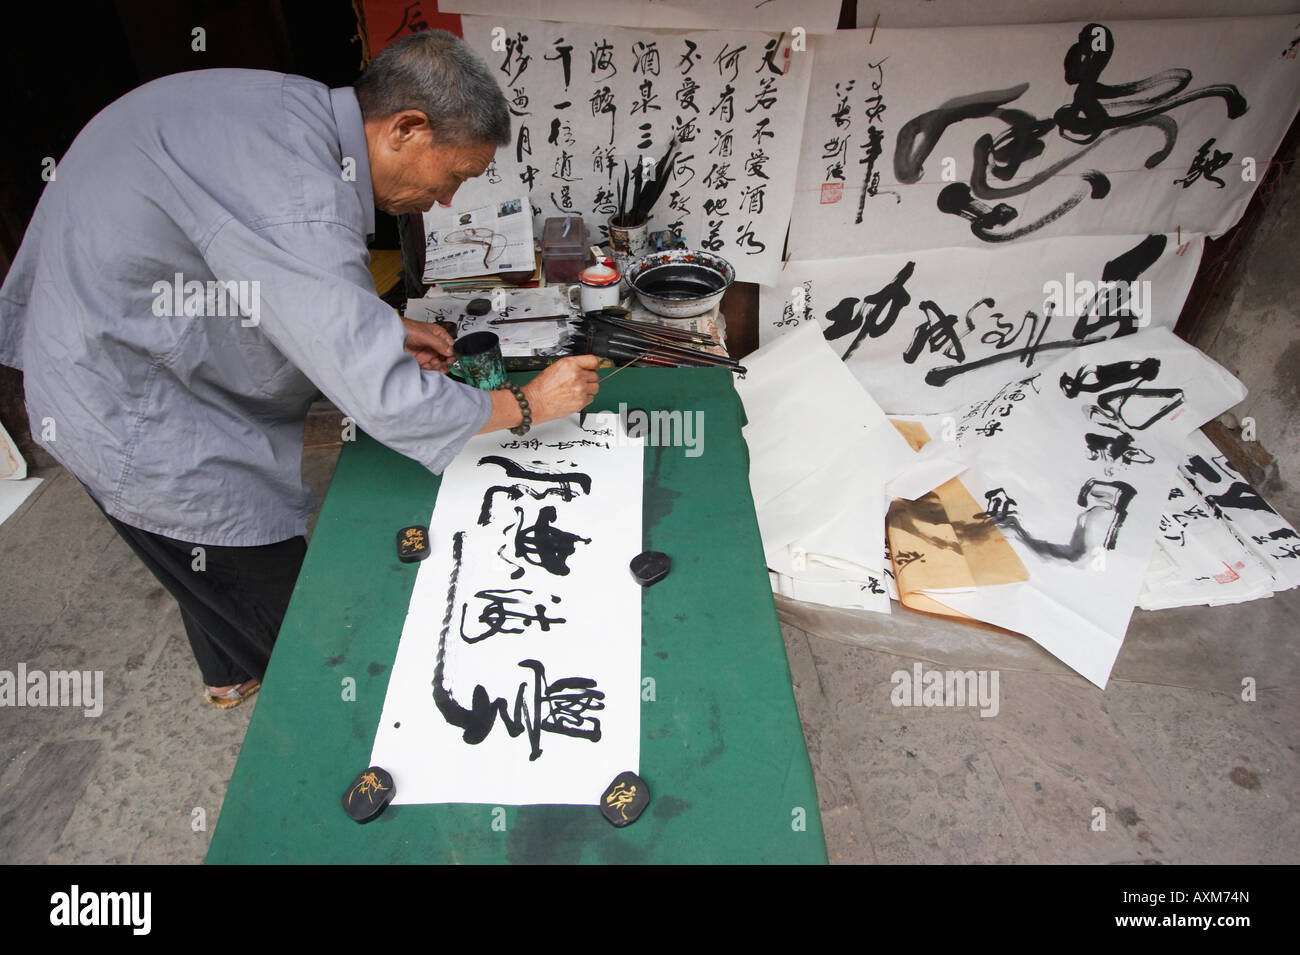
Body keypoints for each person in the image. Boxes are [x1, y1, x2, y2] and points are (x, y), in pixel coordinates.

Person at [0, 31, 598, 708]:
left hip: (103, 335)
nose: (449, 201)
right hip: (128, 402)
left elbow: (246, 260)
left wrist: (384, 326)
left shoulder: (296, 114)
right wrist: (527, 406)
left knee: (199, 567)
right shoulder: (301, 190)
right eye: (454, 175)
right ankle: (300, 711)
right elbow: (385, 397)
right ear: (407, 128)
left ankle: (229, 672)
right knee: (275, 606)